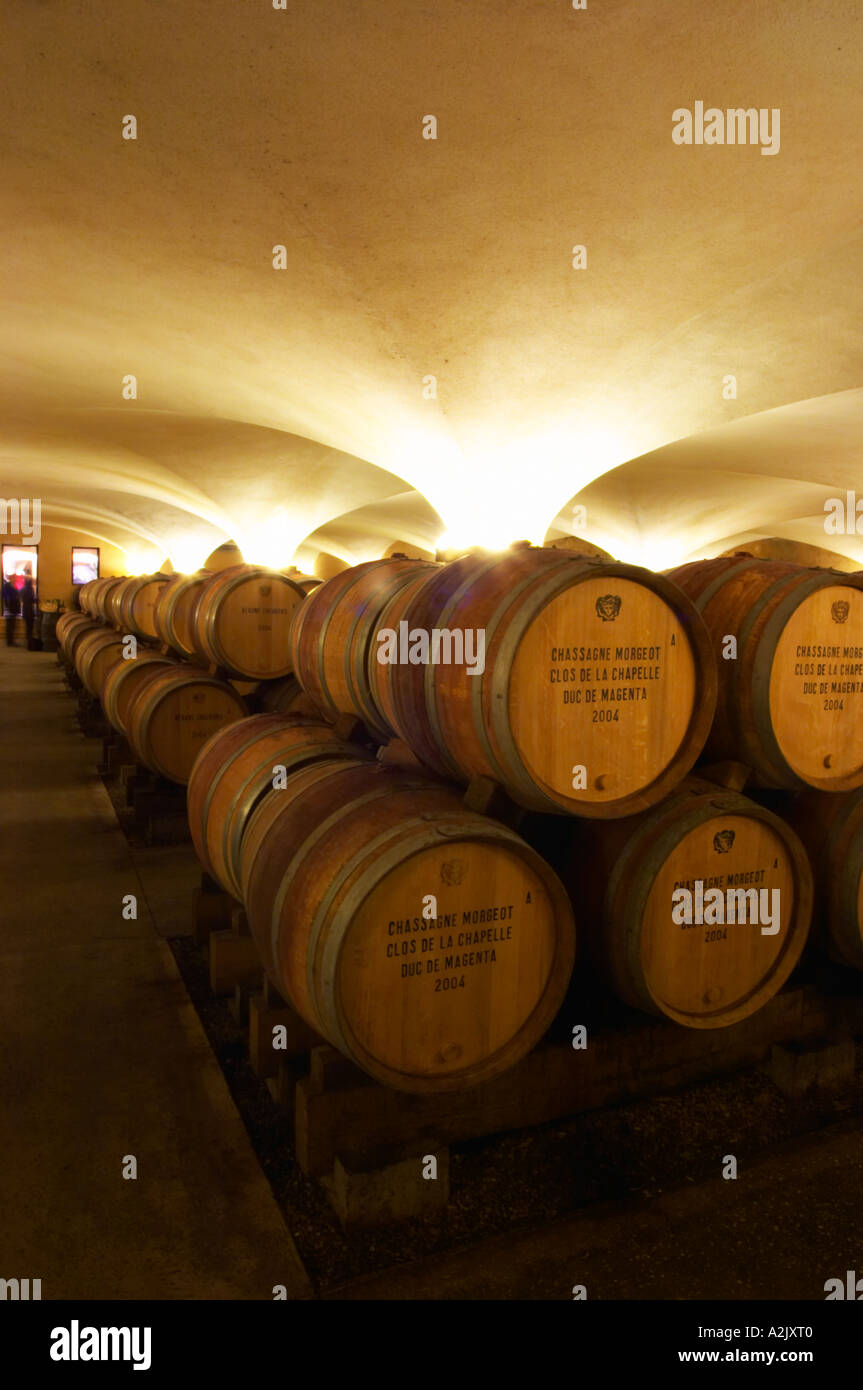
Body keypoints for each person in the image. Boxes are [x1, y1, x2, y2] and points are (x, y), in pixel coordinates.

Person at [3, 576, 21, 645]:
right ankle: (10, 641)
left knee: (12, 625)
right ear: (11, 578)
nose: (15, 580)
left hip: (13, 609)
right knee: (10, 625)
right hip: (10, 609)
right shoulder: (8, 586)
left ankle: (10, 640)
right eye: (14, 578)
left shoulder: (13, 586)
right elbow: (6, 597)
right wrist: (8, 605)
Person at [21, 572, 36, 644]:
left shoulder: (23, 588)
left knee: (27, 625)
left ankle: (28, 638)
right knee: (30, 625)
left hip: (25, 608)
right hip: (29, 608)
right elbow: (31, 599)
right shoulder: (30, 589)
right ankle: (29, 639)